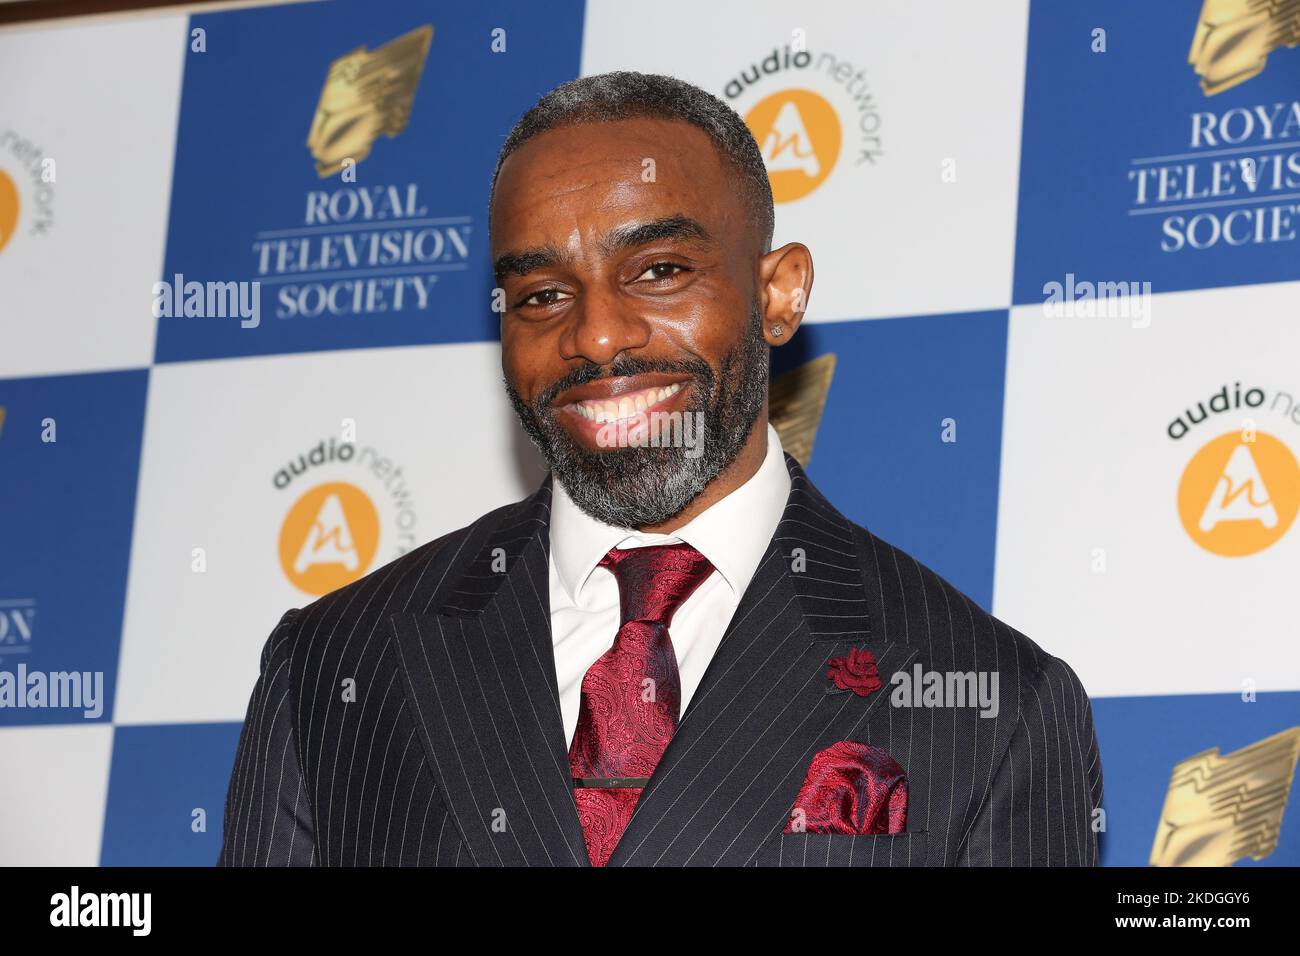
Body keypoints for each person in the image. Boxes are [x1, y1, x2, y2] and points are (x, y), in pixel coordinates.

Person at [219, 71, 1102, 867]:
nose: (596, 334)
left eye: (658, 271)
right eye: (542, 294)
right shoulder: (336, 662)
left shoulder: (996, 703)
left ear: (778, 293)